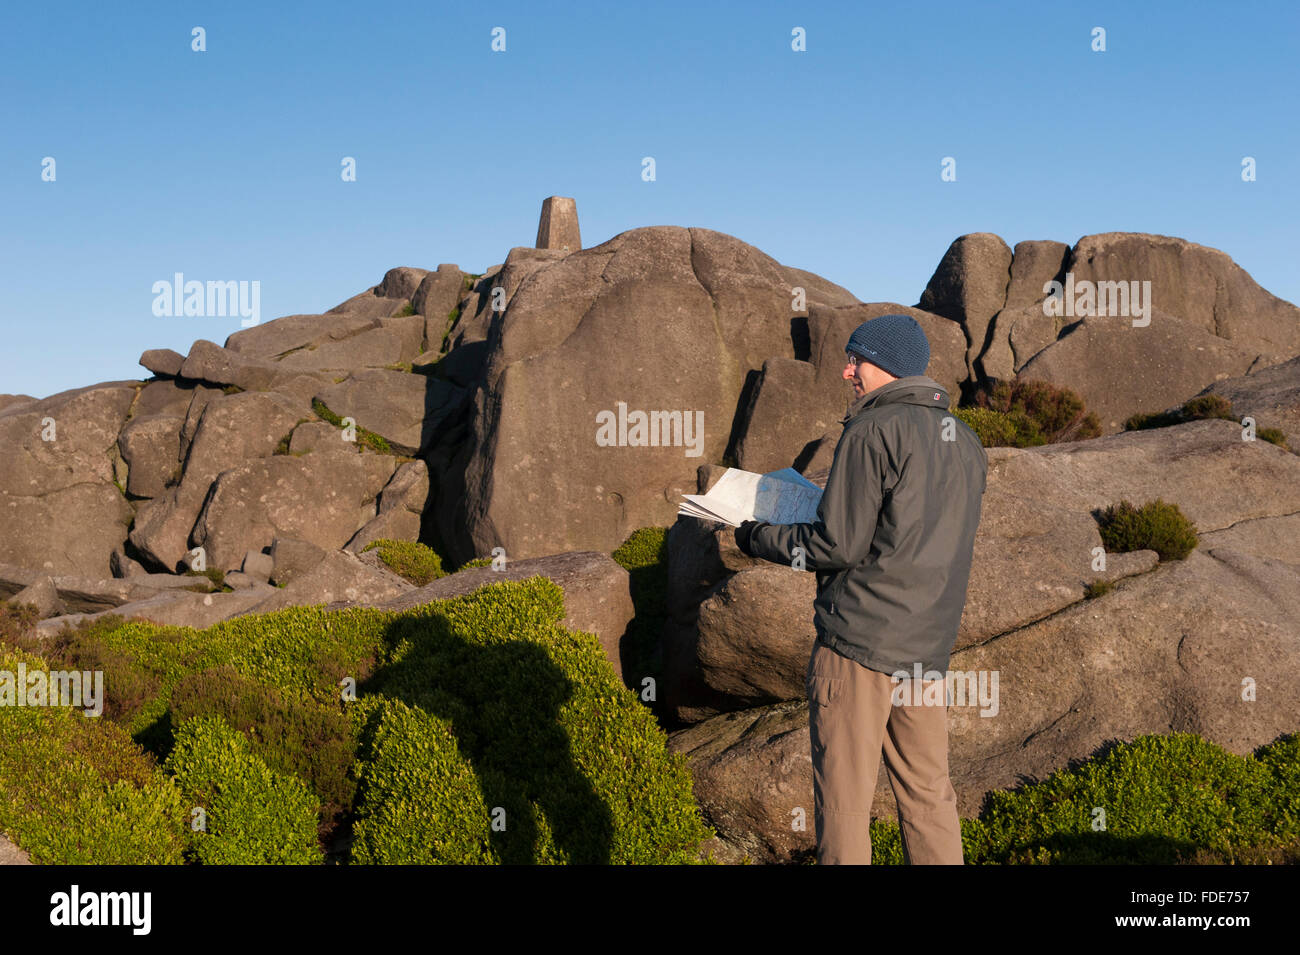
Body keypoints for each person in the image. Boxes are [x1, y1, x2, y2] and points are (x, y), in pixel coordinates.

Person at [734, 313, 987, 865]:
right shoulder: (965, 442)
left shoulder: (872, 429)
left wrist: (753, 536)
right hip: (925, 649)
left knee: (844, 804)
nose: (847, 371)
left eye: (857, 359)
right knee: (928, 797)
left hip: (858, 645)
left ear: (889, 366)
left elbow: (837, 546)